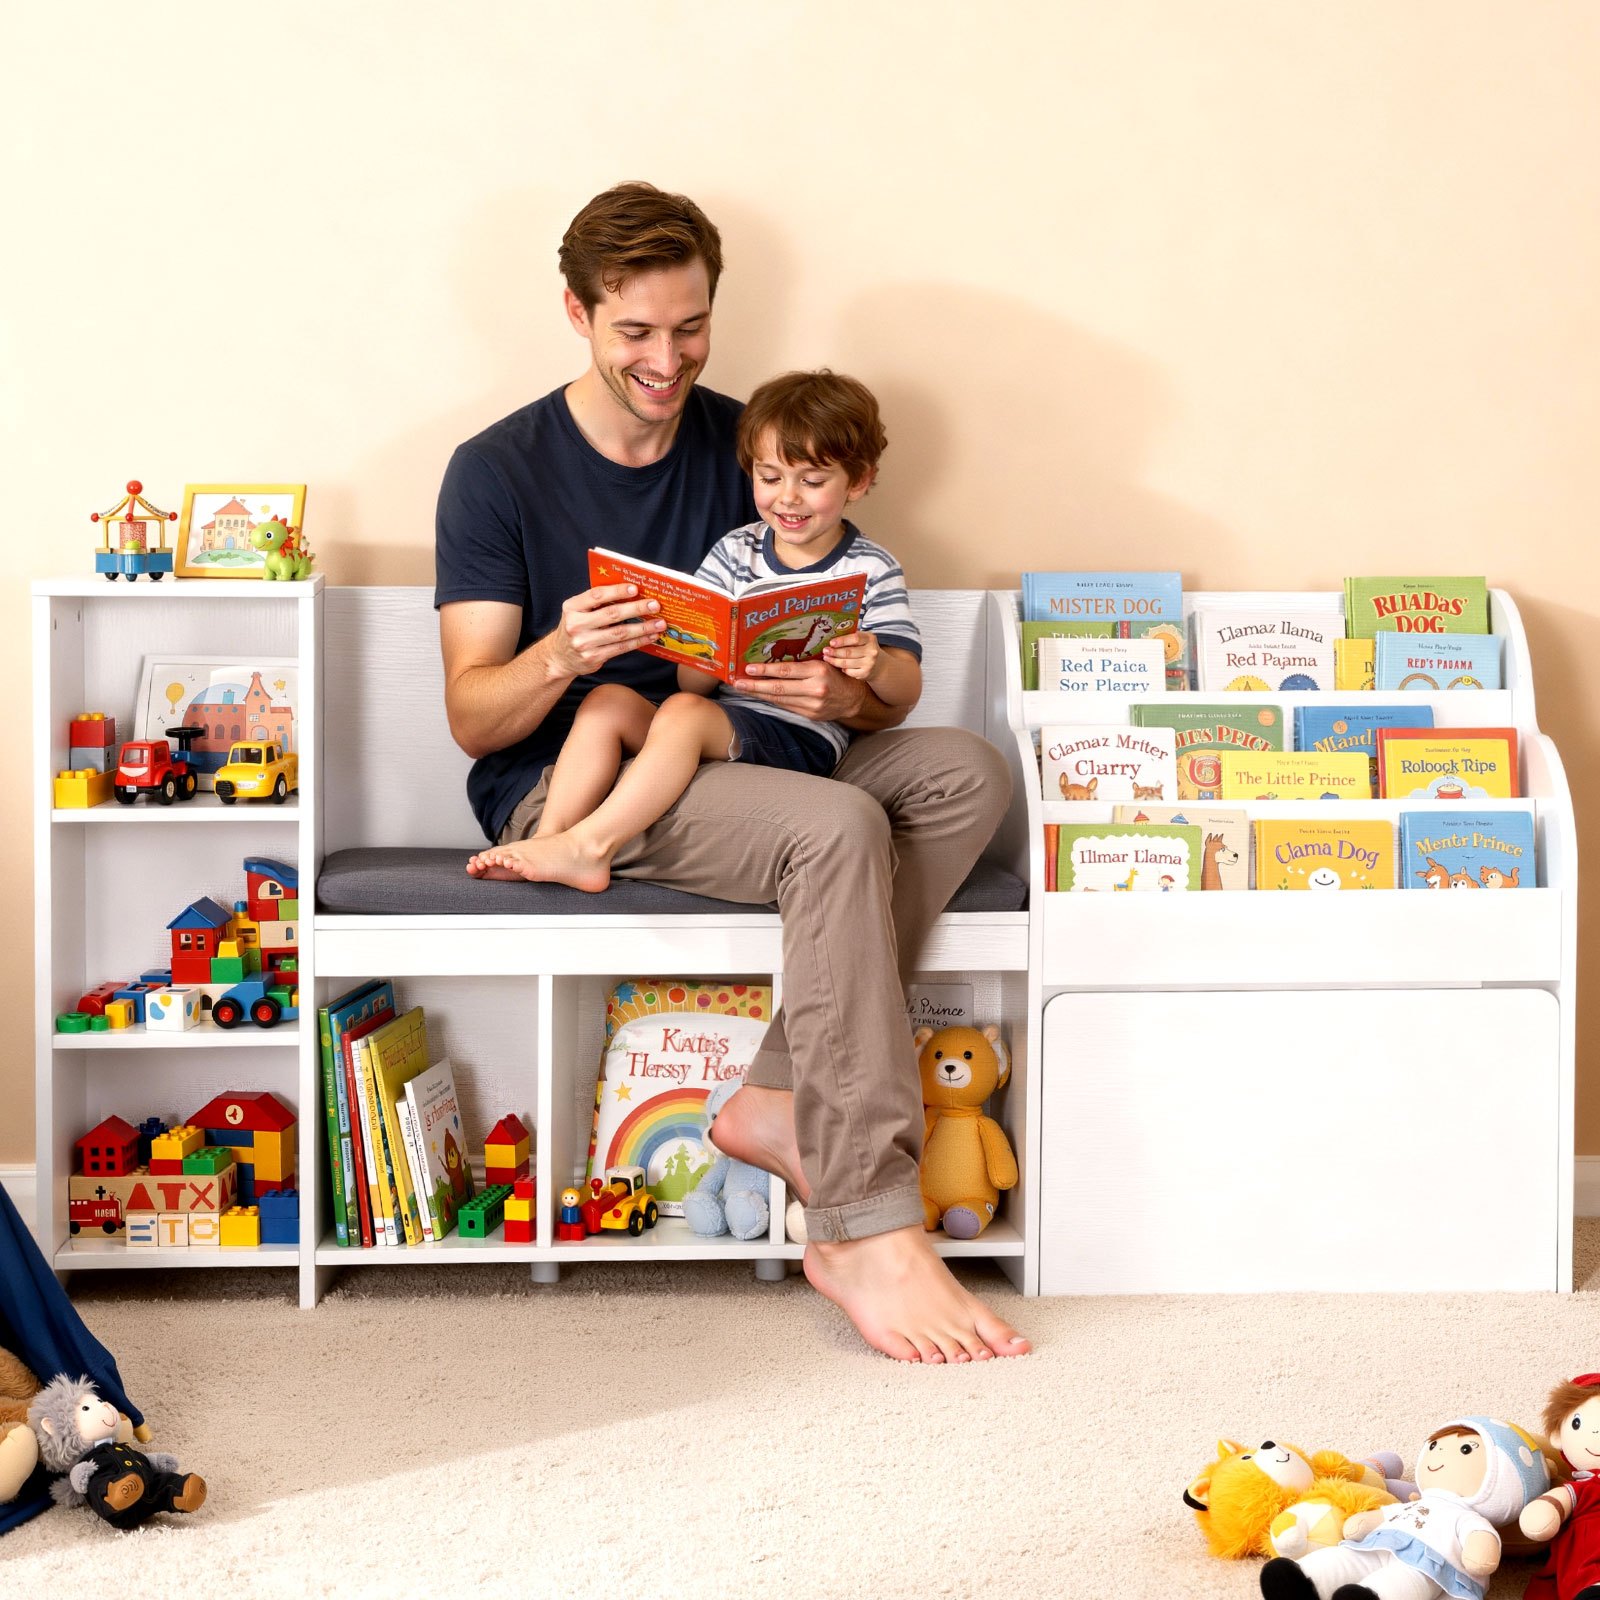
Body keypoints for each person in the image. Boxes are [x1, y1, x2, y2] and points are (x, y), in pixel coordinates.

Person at [434, 180, 1029, 1364]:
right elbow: (470, 715)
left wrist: (845, 695)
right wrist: (562, 652)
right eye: (634, 332)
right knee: (838, 829)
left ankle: (775, 1093)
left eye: (690, 327)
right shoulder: (496, 468)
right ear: (576, 313)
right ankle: (866, 1221)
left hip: (752, 742)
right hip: (578, 781)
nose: (666, 362)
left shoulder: (757, 443)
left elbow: (868, 667)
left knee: (964, 772)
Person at [467, 369, 922, 893]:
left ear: (858, 481)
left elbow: (907, 687)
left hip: (802, 739)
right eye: (770, 478)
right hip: (725, 722)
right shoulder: (735, 550)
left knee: (683, 714)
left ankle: (590, 848)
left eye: (812, 482)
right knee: (608, 700)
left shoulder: (871, 568)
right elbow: (692, 685)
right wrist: (708, 652)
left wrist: (877, 665)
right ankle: (548, 839)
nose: (788, 498)